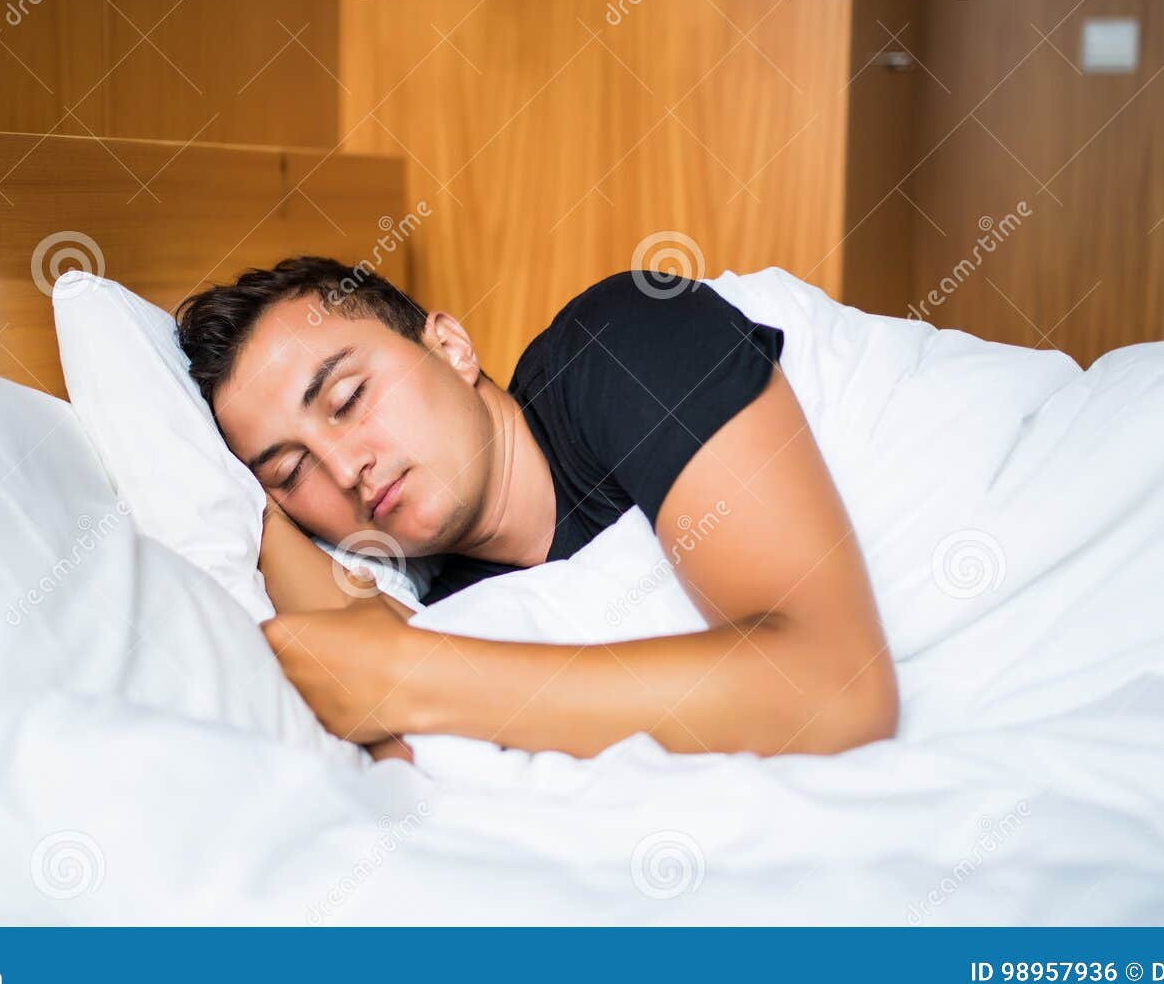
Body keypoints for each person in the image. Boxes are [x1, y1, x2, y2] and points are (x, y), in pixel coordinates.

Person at [175, 256, 897, 763]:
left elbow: (838, 687)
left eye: (347, 399)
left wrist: (409, 674)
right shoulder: (464, 613)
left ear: (451, 346)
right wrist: (250, 510)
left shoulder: (621, 341)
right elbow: (380, 723)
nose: (343, 467)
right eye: (293, 470)